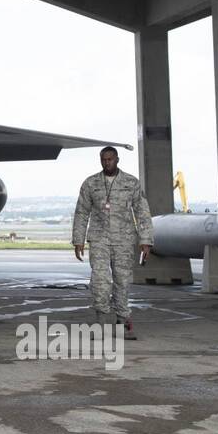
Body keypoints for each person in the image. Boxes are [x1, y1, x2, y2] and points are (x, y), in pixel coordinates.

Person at [71, 146, 153, 341]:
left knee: (122, 281)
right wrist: (78, 240)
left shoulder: (130, 183)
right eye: (104, 159)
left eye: (110, 159)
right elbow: (82, 212)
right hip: (99, 239)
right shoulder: (91, 183)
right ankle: (100, 322)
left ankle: (123, 321)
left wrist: (146, 240)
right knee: (100, 281)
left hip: (123, 240)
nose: (107, 162)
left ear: (117, 160)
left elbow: (142, 212)